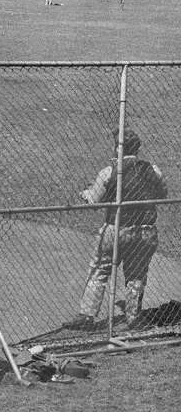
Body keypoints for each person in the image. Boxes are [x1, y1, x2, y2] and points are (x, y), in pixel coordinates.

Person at [73, 129, 167, 329]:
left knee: (100, 270)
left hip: (116, 230)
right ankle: (134, 317)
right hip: (146, 231)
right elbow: (162, 194)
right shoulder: (153, 170)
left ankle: (87, 316)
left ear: (118, 148)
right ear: (137, 149)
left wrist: (86, 193)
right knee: (136, 275)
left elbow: (94, 201)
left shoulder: (109, 172)